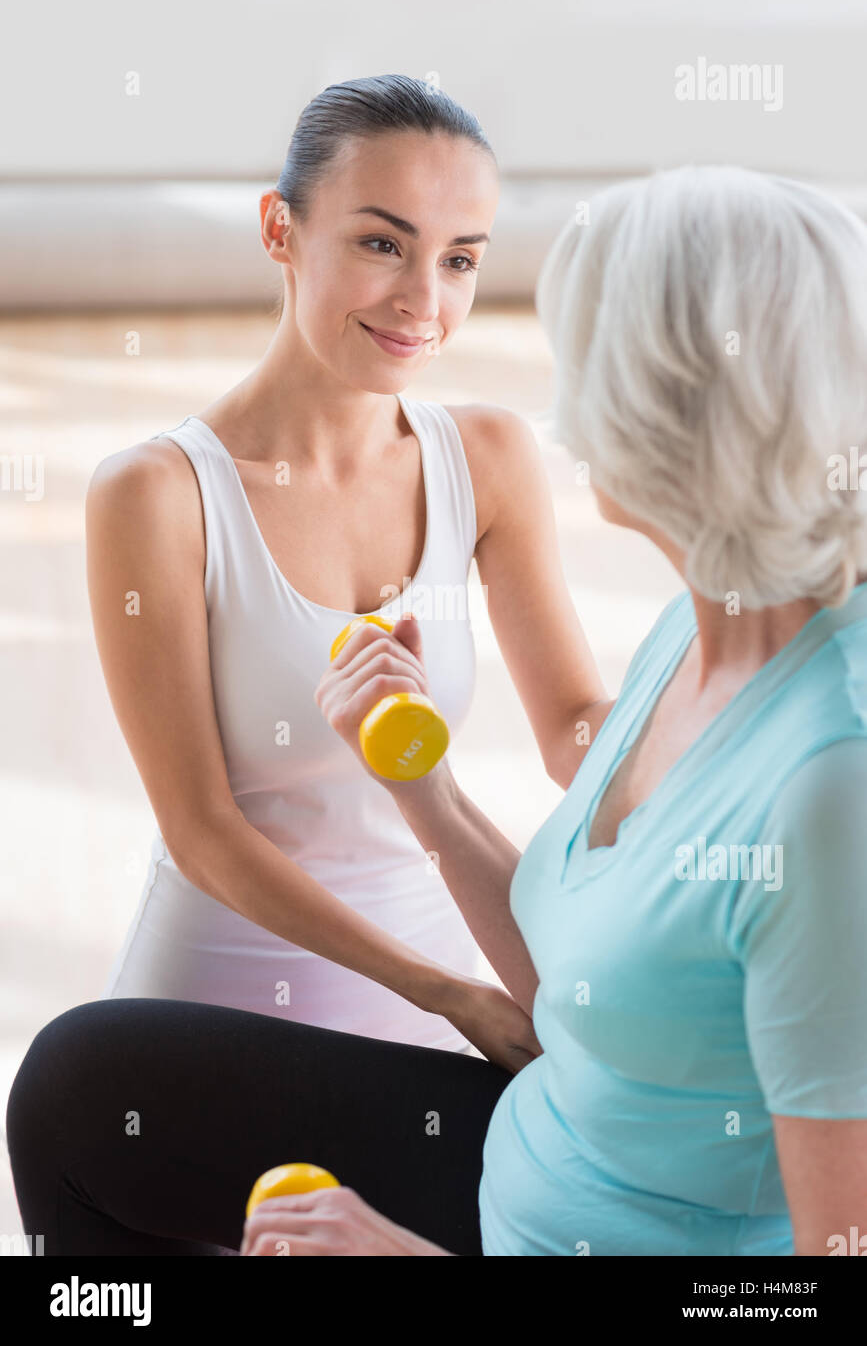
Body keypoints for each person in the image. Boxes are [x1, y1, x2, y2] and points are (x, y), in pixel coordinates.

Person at [9, 163, 867, 1256]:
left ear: (668, 401)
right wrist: (424, 788)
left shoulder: (834, 787)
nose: (563, 406)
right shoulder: (705, 628)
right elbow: (589, 978)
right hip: (546, 1147)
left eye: (586, 356)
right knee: (79, 1090)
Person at [84, 73, 610, 1062]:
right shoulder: (155, 494)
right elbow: (200, 830)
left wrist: (721, 752)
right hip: (219, 1007)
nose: (425, 300)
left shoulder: (488, 457)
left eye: (460, 260)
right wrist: (447, 993)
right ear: (280, 229)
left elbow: (573, 728)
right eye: (383, 244)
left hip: (440, 985)